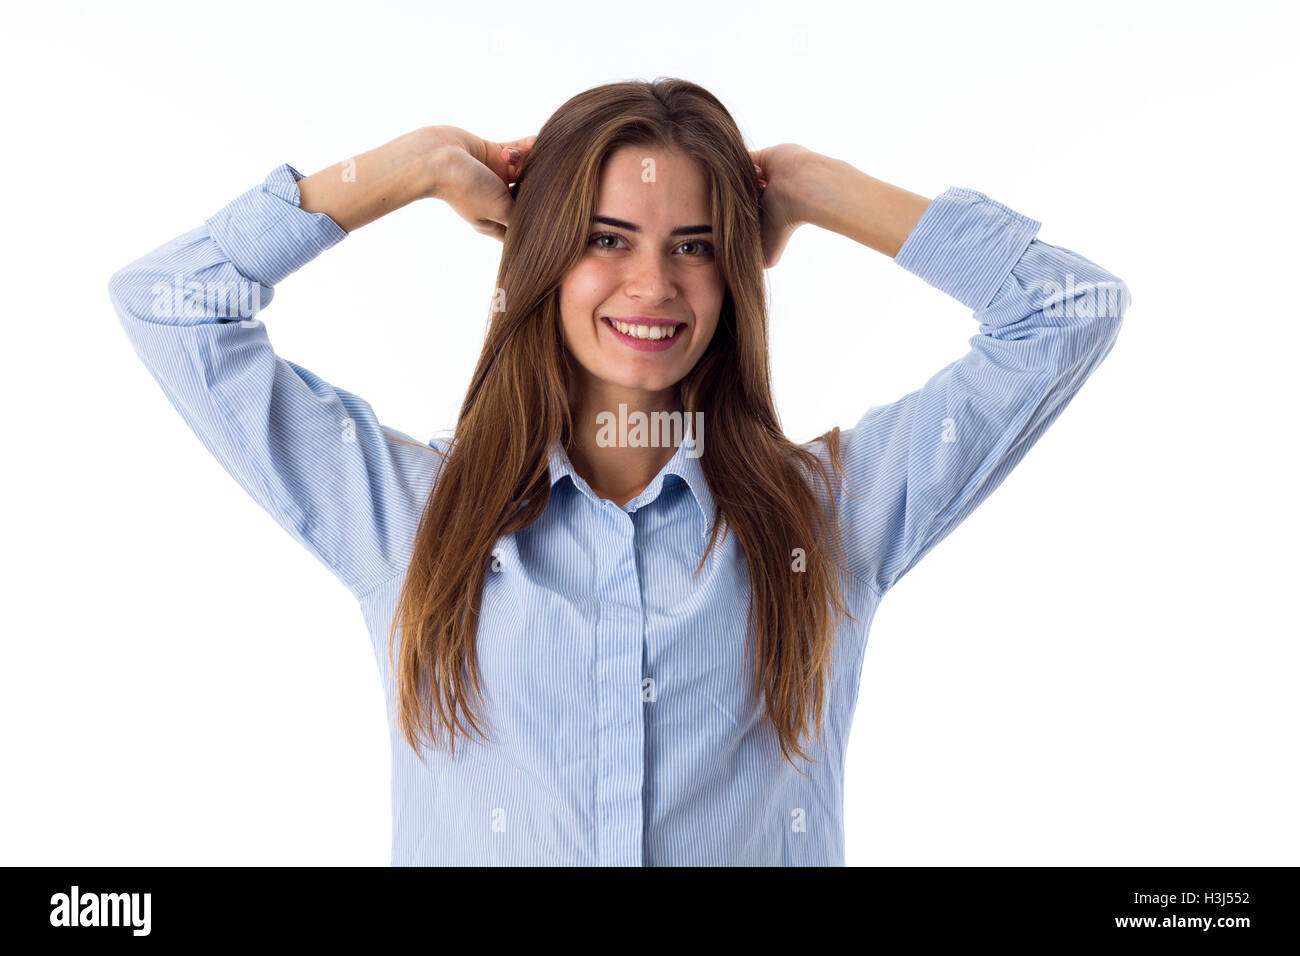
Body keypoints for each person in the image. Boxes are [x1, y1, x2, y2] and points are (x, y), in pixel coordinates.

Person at [108, 78, 1129, 866]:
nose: (654, 282)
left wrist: (816, 189)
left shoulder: (834, 515)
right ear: (542, 254)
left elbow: (1068, 311)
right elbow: (169, 300)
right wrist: (406, 167)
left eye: (697, 244)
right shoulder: (408, 515)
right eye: (606, 239)